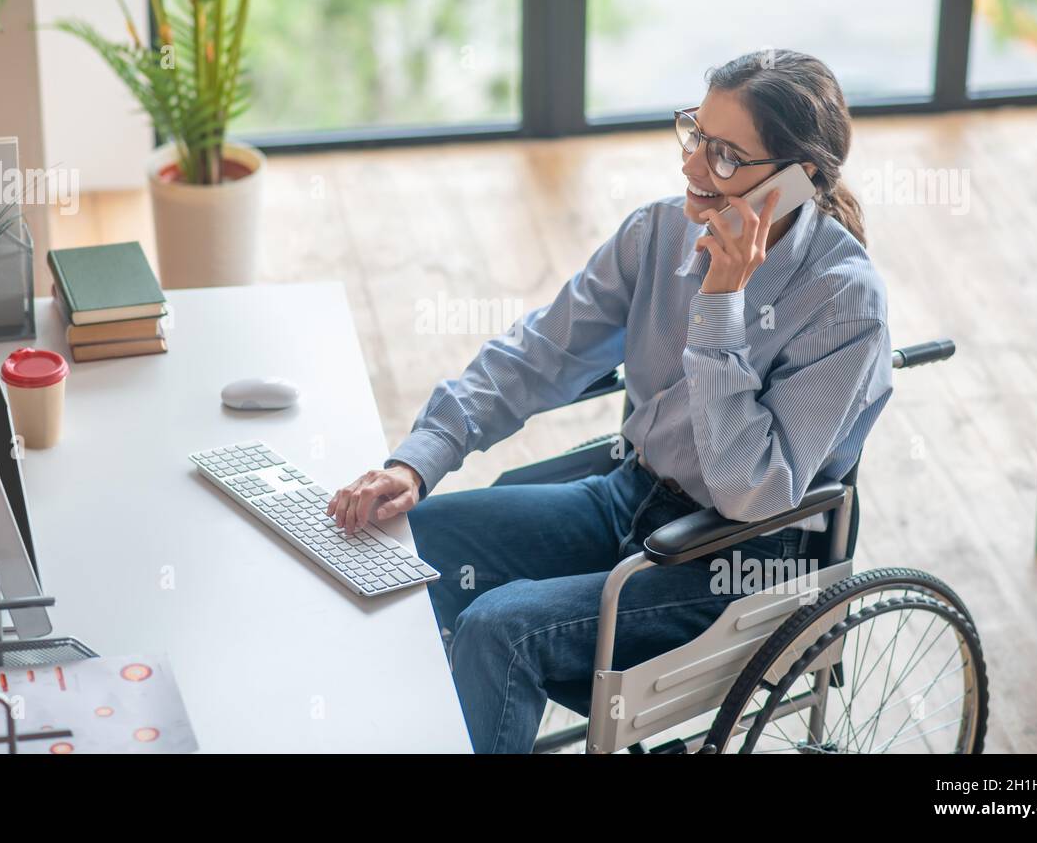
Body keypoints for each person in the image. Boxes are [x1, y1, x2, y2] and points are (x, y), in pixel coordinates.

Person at [327, 49, 894, 753]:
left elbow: (752, 489)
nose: (691, 167)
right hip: (632, 498)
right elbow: (540, 353)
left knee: (502, 626)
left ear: (797, 182)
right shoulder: (658, 232)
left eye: (724, 157)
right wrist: (419, 460)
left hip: (737, 560)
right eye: (695, 135)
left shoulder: (845, 304)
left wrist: (720, 304)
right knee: (419, 539)